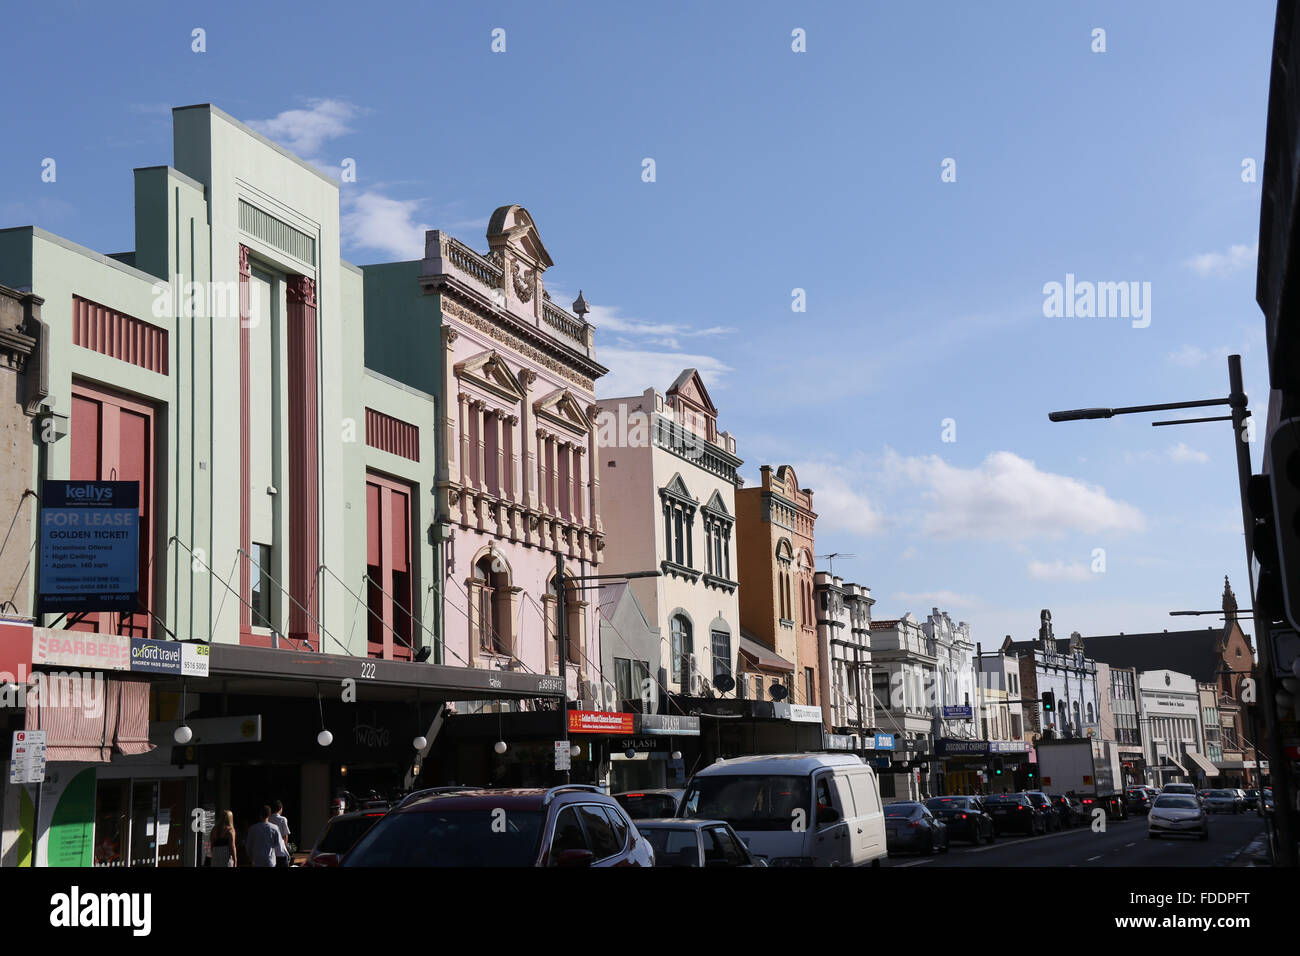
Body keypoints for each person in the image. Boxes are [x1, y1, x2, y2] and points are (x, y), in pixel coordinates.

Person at [270, 799, 291, 868]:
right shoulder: (282, 819)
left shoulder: (269, 819)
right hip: (280, 851)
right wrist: (285, 847)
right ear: (281, 808)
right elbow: (285, 835)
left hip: (271, 851)